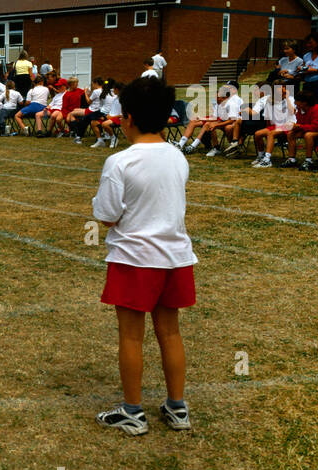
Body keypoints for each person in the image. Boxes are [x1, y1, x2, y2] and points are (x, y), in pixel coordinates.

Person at [91, 76, 196, 436]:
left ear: (128, 118)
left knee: (131, 337)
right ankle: (177, 406)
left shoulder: (120, 162)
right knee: (170, 333)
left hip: (135, 258)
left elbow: (107, 215)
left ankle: (133, 411)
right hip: (176, 257)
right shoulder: (178, 157)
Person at [278, 89, 318, 170]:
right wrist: (294, 127)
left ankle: (308, 160)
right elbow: (302, 124)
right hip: (311, 128)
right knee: (291, 133)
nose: (294, 103)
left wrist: (299, 126)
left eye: (297, 101)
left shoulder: (317, 109)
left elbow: (315, 126)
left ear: (304, 103)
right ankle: (291, 159)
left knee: (308, 135)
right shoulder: (301, 110)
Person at [250, 81, 297, 168]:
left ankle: (267, 160)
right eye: (279, 87)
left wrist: (286, 98)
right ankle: (261, 156)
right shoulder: (268, 100)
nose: (281, 89)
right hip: (276, 126)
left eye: (283, 87)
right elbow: (265, 117)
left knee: (271, 133)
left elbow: (292, 112)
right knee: (257, 134)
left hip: (289, 124)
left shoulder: (290, 99)